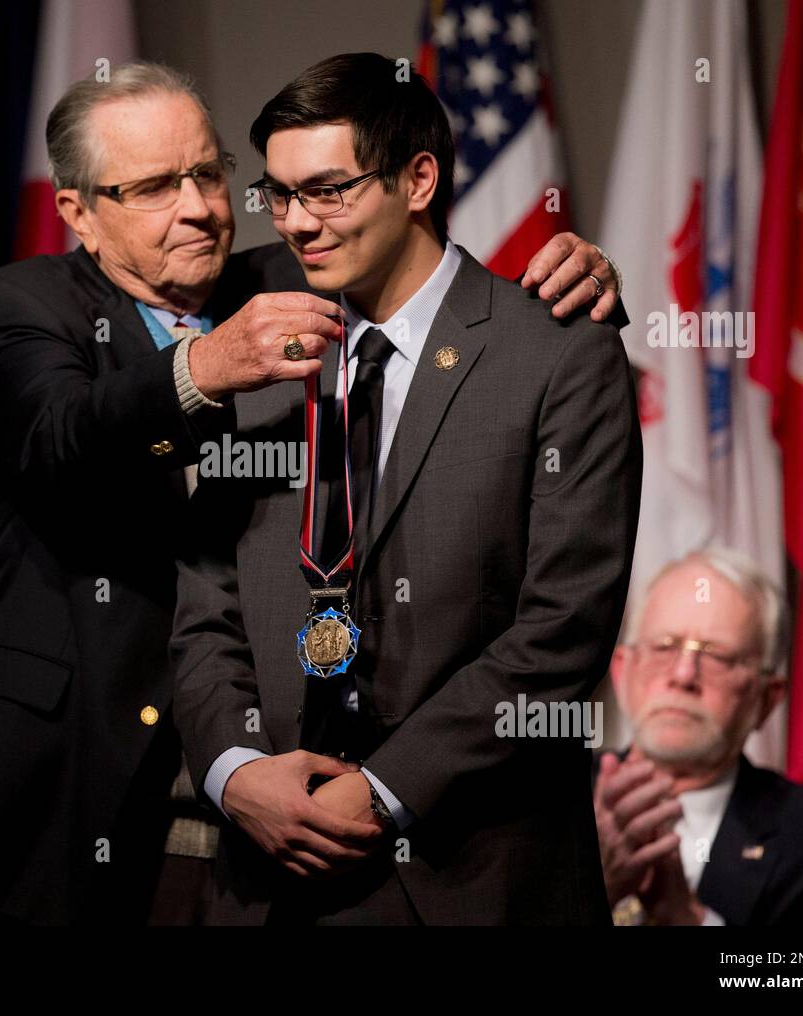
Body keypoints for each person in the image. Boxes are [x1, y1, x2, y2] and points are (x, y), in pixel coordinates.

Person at [0, 59, 624, 925]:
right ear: (78, 213)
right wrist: (207, 366)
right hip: (77, 795)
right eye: (151, 188)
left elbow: (436, 287)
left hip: (324, 830)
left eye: (209, 174)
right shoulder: (13, 307)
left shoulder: (287, 282)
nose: (200, 208)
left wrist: (579, 275)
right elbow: (59, 436)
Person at [170, 52, 642, 924]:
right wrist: (238, 775)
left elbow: (562, 632)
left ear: (418, 178)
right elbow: (207, 600)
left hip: (476, 878)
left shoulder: (559, 351)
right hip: (265, 876)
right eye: (277, 195)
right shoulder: (259, 343)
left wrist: (386, 788)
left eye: (328, 190)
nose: (297, 223)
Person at [598, 548, 803, 926]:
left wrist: (687, 920)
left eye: (717, 656)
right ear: (622, 672)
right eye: (665, 646)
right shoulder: (534, 799)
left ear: (766, 699)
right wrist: (590, 890)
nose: (684, 674)